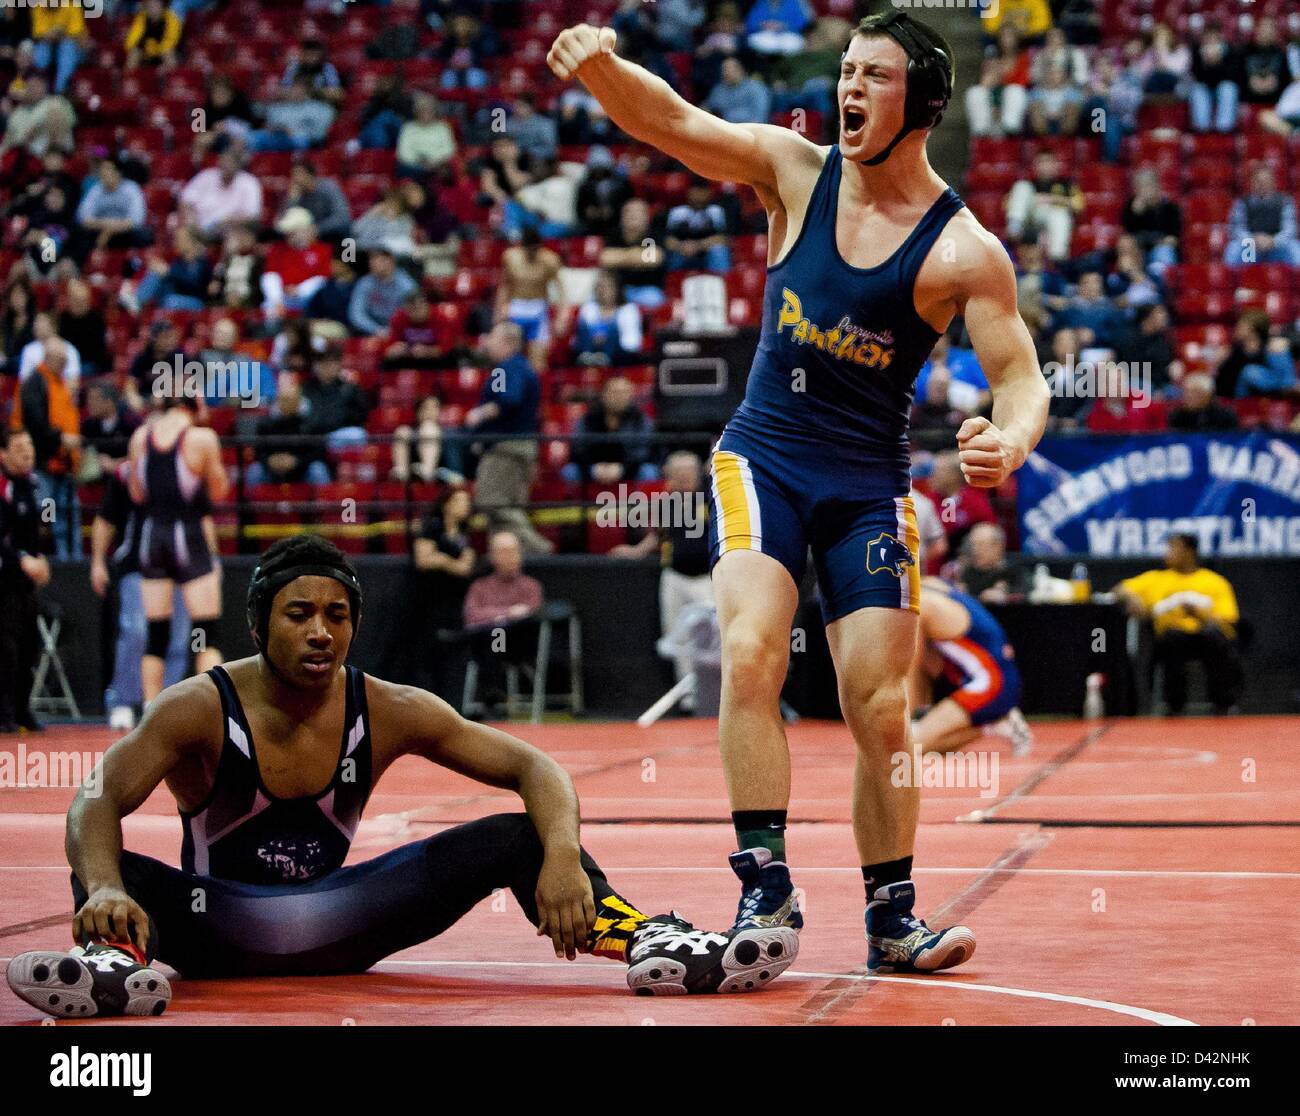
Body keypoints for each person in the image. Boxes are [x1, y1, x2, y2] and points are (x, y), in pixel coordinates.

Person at [547, 11, 1047, 971]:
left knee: (879, 705)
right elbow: (677, 124)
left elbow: (1021, 376)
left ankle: (893, 919)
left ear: (927, 102)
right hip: (763, 458)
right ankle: (764, 890)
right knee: (749, 652)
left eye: (875, 77)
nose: (849, 90)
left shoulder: (964, 249)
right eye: (846, 72)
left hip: (869, 485)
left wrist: (1011, 437)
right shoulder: (795, 169)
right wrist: (601, 71)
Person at [4, 535, 798, 1016]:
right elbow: (96, 797)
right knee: (103, 871)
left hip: (344, 922)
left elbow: (535, 765)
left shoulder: (387, 708)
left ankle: (644, 942)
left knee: (518, 837)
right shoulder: (196, 708)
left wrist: (559, 855)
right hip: (211, 928)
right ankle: (117, 966)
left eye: (337, 616)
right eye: (298, 614)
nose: (321, 632)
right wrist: (106, 884)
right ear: (257, 625)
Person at [125, 395, 229, 704]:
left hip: (152, 536)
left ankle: (150, 712)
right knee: (205, 633)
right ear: (195, 406)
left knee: (156, 634)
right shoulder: (202, 438)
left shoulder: (140, 436)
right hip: (189, 535)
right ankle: (214, 711)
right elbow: (219, 490)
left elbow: (136, 492)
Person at [90, 460, 195, 732]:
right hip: (137, 564)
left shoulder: (188, 468)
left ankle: (163, 702)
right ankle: (123, 699)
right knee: (136, 631)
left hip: (180, 565)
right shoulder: (126, 473)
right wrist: (98, 562)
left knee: (178, 638)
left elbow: (201, 516)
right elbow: (105, 519)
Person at [610, 451, 713, 694]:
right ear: (669, 476)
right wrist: (636, 551)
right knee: (678, 637)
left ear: (699, 473)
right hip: (674, 577)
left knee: (711, 638)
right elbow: (658, 536)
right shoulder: (666, 503)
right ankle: (687, 697)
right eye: (679, 473)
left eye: (689, 471)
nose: (685, 477)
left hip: (707, 579)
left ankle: (712, 693)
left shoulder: (713, 497)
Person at [1116, 533, 1244, 716]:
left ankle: (1223, 703)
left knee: (1215, 636)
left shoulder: (1214, 582)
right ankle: (1174, 704)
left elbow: (1229, 620)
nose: (1167, 553)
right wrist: (1132, 598)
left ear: (1189, 552)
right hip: (1173, 639)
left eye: (1173, 548)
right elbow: (1119, 589)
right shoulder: (1156, 578)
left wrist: (1198, 612)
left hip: (1206, 638)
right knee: (1172, 638)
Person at [908, 578, 1030, 756]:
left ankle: (993, 723)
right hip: (999, 677)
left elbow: (914, 672)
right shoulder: (932, 584)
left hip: (991, 684)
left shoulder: (920, 608)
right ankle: (994, 725)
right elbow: (932, 667)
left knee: (904, 750)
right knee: (915, 747)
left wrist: (909, 719)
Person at [465, 322, 552, 554]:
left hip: (506, 447)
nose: (487, 342)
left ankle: (539, 548)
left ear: (508, 342)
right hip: (517, 446)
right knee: (506, 510)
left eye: (492, 337)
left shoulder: (507, 368)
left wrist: (479, 414)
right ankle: (507, 558)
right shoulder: (517, 367)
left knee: (491, 501)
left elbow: (508, 399)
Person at [0, 429, 50, 734]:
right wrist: (21, 559)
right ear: (3, 453)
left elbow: (41, 529)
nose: (28, 452)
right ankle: (4, 713)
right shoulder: (2, 488)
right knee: (6, 647)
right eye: (19, 447)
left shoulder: (33, 485)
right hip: (4, 579)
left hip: (26, 581)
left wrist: (42, 558)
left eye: (30, 445)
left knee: (30, 645)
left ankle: (21, 709)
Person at [1224, 163, 1300, 267]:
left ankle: (1295, 282)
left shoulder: (1285, 202)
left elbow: (1290, 229)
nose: (1263, 185)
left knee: (1295, 251)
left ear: (1273, 183)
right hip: (1251, 246)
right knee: (1233, 251)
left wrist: (1273, 241)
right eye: (1259, 182)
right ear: (1252, 183)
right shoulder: (1242, 203)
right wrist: (1253, 239)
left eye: (1266, 181)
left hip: (1277, 246)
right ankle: (1243, 281)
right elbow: (1237, 229)